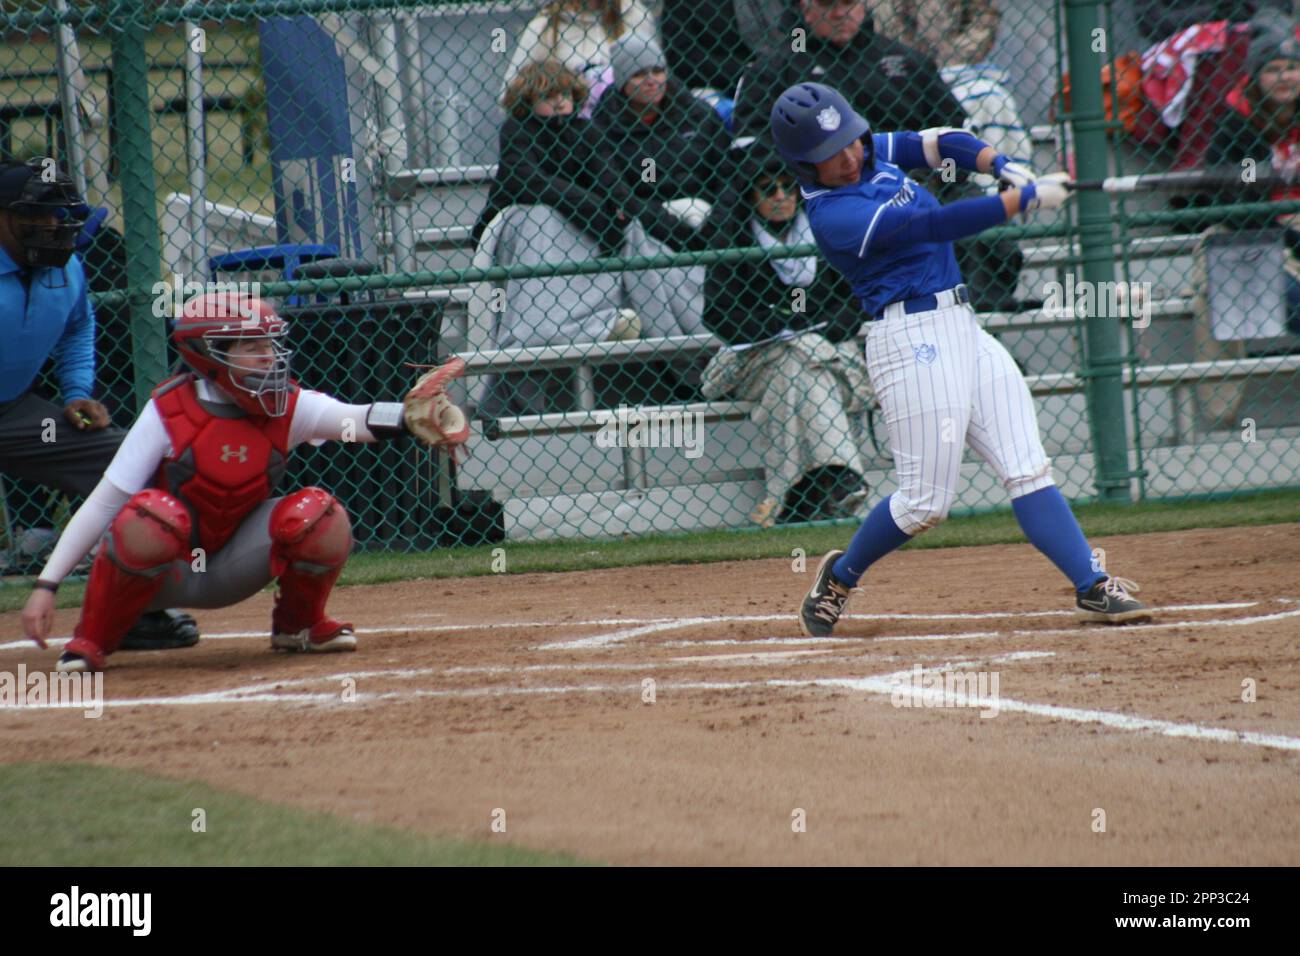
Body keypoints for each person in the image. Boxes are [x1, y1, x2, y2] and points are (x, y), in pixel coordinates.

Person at [764, 83, 1152, 635]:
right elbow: (932, 226)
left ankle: (1092, 585)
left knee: (1026, 467)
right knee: (925, 503)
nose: (851, 156)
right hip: (909, 341)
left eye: (851, 140)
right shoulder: (835, 216)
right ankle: (840, 577)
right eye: (832, 154)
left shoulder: (868, 152)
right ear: (806, 166)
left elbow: (941, 142)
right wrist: (1017, 201)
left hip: (962, 326)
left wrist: (1006, 166)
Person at [22, 291, 471, 672]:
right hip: (168, 568)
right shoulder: (168, 411)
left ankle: (299, 627)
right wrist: (47, 586)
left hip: (234, 564)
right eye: (252, 346)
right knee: (151, 515)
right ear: (207, 354)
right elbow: (103, 504)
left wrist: (412, 418)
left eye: (271, 344)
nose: (270, 357)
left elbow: (356, 419)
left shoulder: (286, 405)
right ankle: (93, 639)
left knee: (321, 515)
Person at [0, 158, 198, 650]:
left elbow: (77, 329)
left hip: (13, 413)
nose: (51, 224)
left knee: (124, 462)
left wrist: (76, 394)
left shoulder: (63, 267)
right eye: (36, 214)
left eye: (58, 213)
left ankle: (131, 614)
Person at [733, 0, 1024, 311]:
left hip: (922, 180)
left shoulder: (903, 60)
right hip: (835, 194)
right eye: (828, 4)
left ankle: (980, 316)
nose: (840, 13)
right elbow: (750, 146)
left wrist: (942, 176)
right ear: (805, 7)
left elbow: (952, 128)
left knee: (975, 214)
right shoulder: (779, 66)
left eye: (849, 3)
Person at [664, 139, 877, 524]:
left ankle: (787, 499)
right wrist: (782, 328)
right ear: (752, 195)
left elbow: (855, 299)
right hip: (757, 357)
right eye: (768, 189)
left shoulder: (826, 230)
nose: (780, 196)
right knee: (794, 359)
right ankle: (840, 478)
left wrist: (810, 332)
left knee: (795, 369)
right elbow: (720, 314)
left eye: (788, 187)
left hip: (819, 354)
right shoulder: (735, 238)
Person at [587, 33, 732, 342]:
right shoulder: (602, 127)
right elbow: (614, 189)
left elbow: (727, 178)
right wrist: (664, 223)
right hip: (647, 226)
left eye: (657, 71)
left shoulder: (700, 115)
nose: (652, 80)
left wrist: (716, 221)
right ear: (623, 81)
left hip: (706, 223)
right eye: (639, 74)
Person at [866, 0, 1033, 195]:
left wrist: (950, 57)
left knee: (985, 102)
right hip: (889, 66)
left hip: (950, 63)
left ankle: (994, 192)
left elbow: (983, 18)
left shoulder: (925, 69)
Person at [1204, 13, 1300, 335]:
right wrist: (1289, 235)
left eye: (1292, 67)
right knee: (1291, 298)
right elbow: (1239, 201)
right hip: (1258, 231)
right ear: (1255, 77)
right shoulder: (1239, 124)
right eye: (1273, 70)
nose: (1284, 77)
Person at [501, 0, 659, 119]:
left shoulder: (637, 17)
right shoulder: (544, 27)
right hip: (568, 140)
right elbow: (509, 95)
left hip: (627, 132)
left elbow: (659, 77)